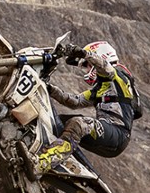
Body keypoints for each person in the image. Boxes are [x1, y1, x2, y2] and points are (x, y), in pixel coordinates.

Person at [35, 40, 141, 174]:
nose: (86, 69)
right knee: (57, 121)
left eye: (86, 65)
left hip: (118, 134)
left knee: (79, 124)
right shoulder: (99, 89)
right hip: (106, 133)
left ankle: (45, 162)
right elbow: (74, 101)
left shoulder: (120, 77)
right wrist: (49, 88)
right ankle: (43, 152)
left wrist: (83, 53)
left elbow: (105, 67)